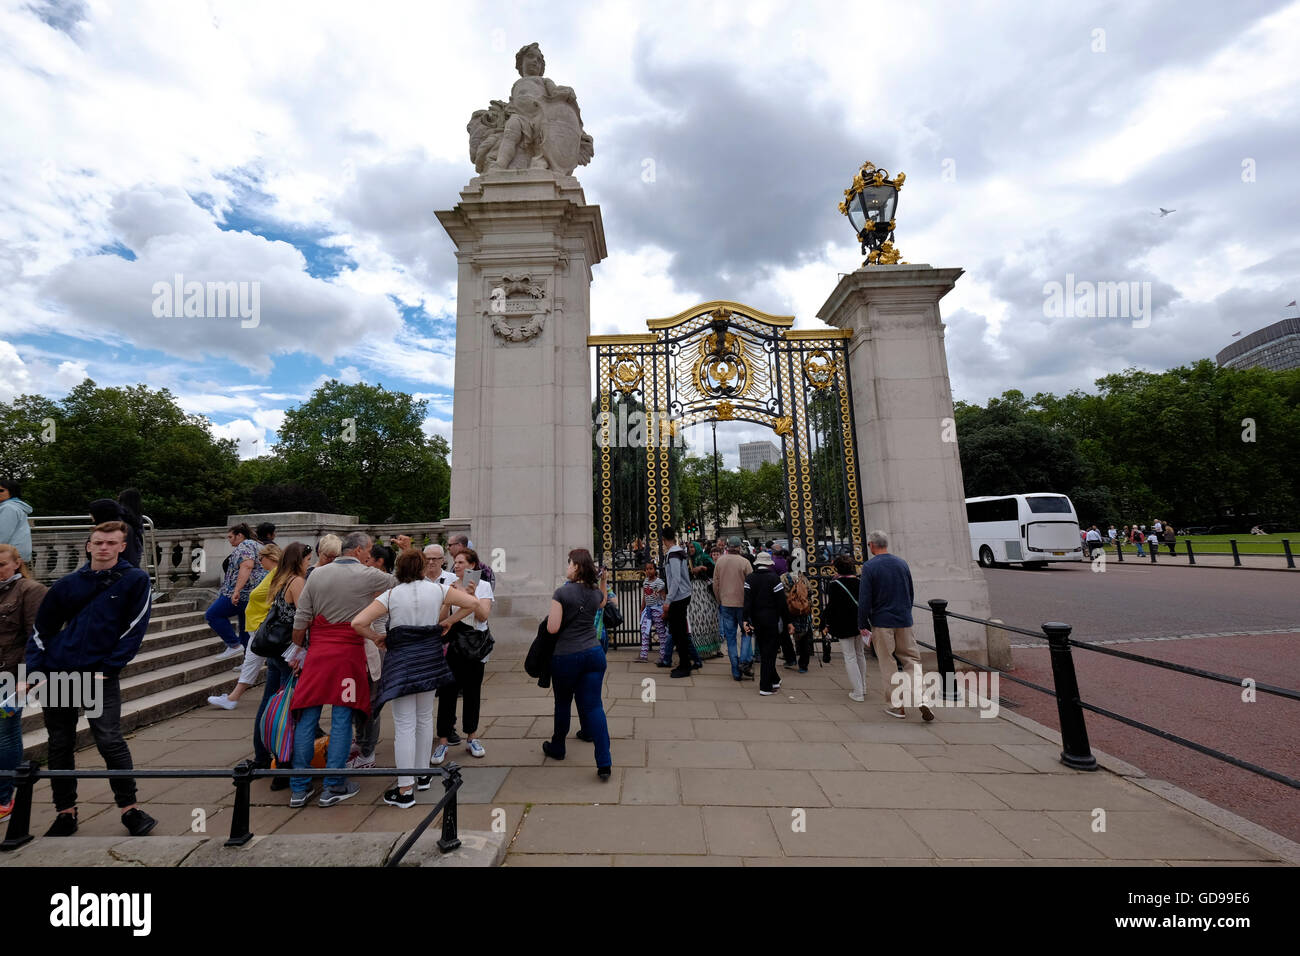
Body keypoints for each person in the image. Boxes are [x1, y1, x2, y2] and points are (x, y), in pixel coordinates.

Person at [28, 521, 157, 835]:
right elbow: (41, 630)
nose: (104, 547)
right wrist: (37, 673)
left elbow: (134, 630)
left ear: (121, 546)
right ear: (88, 545)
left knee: (110, 740)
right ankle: (65, 813)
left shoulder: (135, 580)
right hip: (59, 673)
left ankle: (131, 810)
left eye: (111, 543)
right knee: (59, 745)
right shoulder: (68, 584)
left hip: (98, 675)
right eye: (98, 542)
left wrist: (108, 669)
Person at [353, 548, 486, 808]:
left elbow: (357, 622)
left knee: (404, 724)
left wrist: (377, 638)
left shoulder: (390, 595)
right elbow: (473, 604)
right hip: (429, 658)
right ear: (423, 568)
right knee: (425, 717)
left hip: (402, 660)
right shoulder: (437, 590)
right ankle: (423, 774)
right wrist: (448, 622)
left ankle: (405, 790)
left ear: (399, 570)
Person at [286, 531, 394, 808]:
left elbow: (302, 619)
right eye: (368, 549)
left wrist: (299, 649)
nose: (370, 555)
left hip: (317, 653)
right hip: (348, 654)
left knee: (307, 718)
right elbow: (402, 583)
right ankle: (333, 784)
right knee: (342, 718)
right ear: (358, 550)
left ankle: (298, 786)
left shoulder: (317, 574)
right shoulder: (368, 575)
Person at [541, 548, 612, 779]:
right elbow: (602, 603)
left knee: (563, 703)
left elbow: (552, 628)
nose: (567, 566)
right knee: (594, 706)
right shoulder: (593, 593)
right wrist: (604, 580)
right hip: (593, 653)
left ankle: (558, 747)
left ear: (577, 566)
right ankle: (604, 761)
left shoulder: (561, 593)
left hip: (567, 656)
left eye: (569, 563)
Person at [859, 530, 933, 721]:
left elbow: (865, 599)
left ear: (871, 545)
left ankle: (896, 705)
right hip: (903, 620)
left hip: (882, 622)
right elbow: (910, 592)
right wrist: (906, 613)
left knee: (888, 663)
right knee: (912, 661)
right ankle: (922, 698)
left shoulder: (869, 567)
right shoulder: (902, 563)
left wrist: (862, 622)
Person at [431, 547, 495, 764]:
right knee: (447, 692)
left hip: (475, 643)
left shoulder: (483, 585)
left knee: (472, 691)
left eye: (461, 562)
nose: (456, 566)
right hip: (453, 643)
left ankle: (472, 736)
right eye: (455, 562)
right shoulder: (448, 585)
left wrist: (472, 595)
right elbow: (440, 618)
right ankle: (443, 741)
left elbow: (483, 614)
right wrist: (448, 599)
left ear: (472, 565)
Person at [0, 543, 47, 821]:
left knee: (5, 731)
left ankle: (4, 797)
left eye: (2, 565)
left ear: (17, 563)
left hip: (12, 677)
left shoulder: (31, 591)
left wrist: (28, 676)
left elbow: (38, 636)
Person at [207, 543, 282, 710]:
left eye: (261, 559)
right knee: (252, 663)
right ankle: (233, 698)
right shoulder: (273, 574)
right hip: (259, 627)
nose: (259, 562)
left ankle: (236, 699)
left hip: (263, 627)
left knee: (260, 664)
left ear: (270, 558)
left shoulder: (278, 575)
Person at [205, 524, 265, 661]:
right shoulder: (258, 545)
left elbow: (247, 565)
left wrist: (236, 590)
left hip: (241, 592)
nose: (229, 540)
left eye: (231, 537)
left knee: (213, 614)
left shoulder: (246, 544)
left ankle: (234, 644)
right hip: (253, 593)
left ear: (240, 535)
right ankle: (246, 661)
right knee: (245, 628)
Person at [742, 551, 789, 696]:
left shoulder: (750, 579)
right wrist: (788, 621)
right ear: (769, 564)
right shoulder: (774, 579)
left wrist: (745, 619)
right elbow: (782, 603)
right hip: (771, 619)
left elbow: (747, 601)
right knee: (770, 653)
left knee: (764, 650)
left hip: (756, 619)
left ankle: (774, 679)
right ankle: (765, 686)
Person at [822, 553, 867, 701]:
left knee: (850, 656)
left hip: (842, 622)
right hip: (858, 622)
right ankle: (863, 686)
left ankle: (858, 691)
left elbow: (831, 606)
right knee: (860, 653)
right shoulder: (860, 582)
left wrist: (826, 623)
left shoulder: (835, 585)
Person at [713, 537, 753, 681]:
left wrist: (720, 600)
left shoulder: (720, 561)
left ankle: (736, 671)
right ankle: (743, 660)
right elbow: (751, 585)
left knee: (730, 638)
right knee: (747, 633)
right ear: (739, 547)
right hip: (743, 605)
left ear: (728, 547)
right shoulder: (745, 562)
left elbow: (715, 585)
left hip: (726, 603)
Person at [661, 530, 697, 678]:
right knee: (679, 632)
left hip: (678, 598)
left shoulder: (673, 554)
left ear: (664, 539)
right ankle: (685, 663)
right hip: (682, 595)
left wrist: (668, 600)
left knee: (679, 633)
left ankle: (685, 666)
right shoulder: (678, 551)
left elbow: (675, 579)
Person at [687, 539, 722, 659]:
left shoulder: (705, 558)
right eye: (689, 547)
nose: (691, 549)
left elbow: (714, 571)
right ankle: (698, 649)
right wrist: (691, 571)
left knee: (709, 618)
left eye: (692, 547)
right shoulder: (688, 560)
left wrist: (703, 568)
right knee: (696, 619)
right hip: (693, 591)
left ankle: (714, 649)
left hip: (705, 590)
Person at [781, 562, 814, 672]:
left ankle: (790, 658)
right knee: (804, 636)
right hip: (803, 610)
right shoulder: (803, 578)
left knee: (785, 635)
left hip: (788, 610)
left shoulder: (784, 578)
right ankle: (803, 664)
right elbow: (810, 592)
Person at [637, 560, 666, 663]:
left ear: (655, 570)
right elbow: (645, 597)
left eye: (651, 569)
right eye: (647, 569)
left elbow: (663, 596)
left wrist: (664, 610)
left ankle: (663, 656)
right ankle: (643, 655)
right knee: (644, 631)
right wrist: (641, 609)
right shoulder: (645, 582)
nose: (648, 571)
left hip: (657, 610)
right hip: (648, 610)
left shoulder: (660, 582)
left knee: (661, 633)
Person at [0, 480, 33, 565]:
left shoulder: (9, 508)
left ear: (12, 491)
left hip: (10, 556)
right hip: (17, 554)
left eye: (1, 490)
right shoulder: (15, 506)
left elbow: (2, 535)